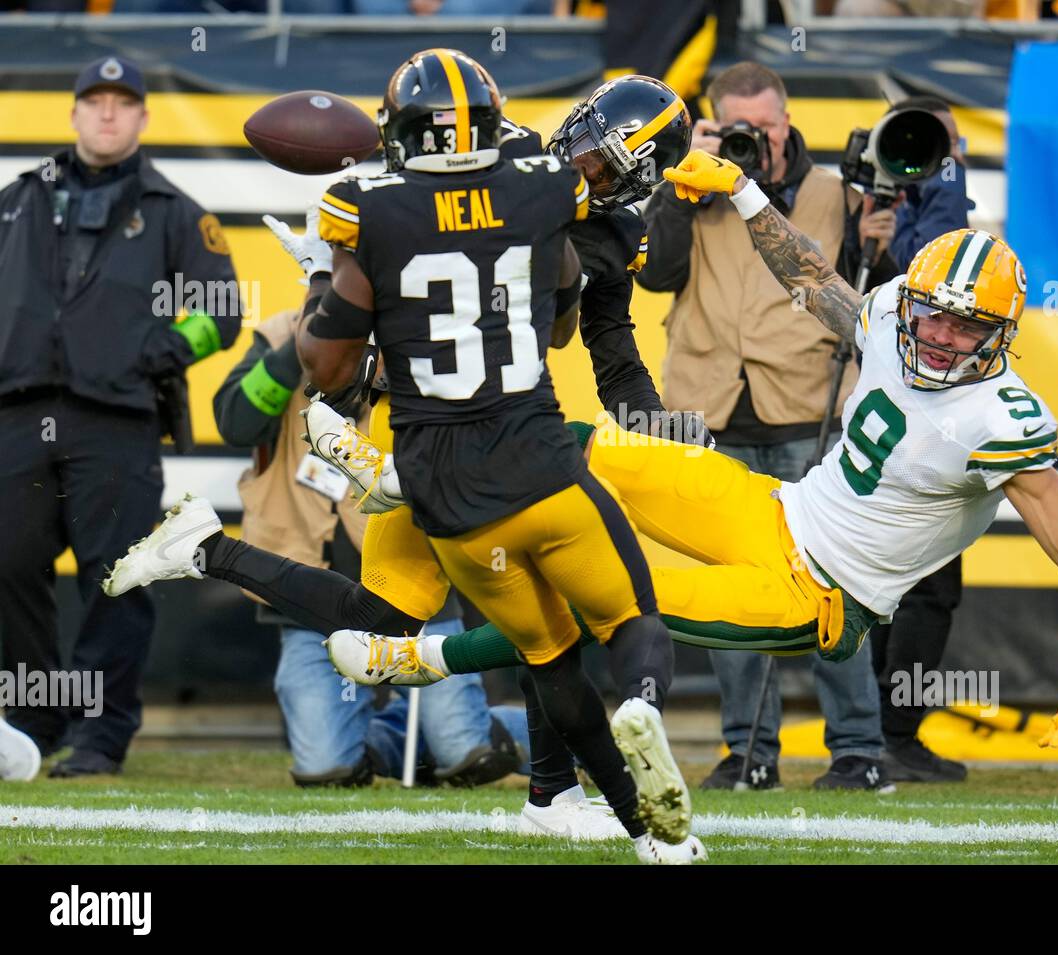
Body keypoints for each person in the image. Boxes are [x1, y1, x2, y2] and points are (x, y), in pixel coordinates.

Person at [112, 51, 703, 864]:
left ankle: (209, 547)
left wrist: (663, 430)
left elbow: (602, 342)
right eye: (591, 150)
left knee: (392, 616)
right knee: (556, 609)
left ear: (632, 186)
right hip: (421, 410)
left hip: (482, 423)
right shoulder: (505, 155)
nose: (589, 170)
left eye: (608, 170)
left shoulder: (575, 202)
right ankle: (568, 794)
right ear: (577, 127)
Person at [322, 218, 1058, 764]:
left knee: (614, 595)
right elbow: (811, 276)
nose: (940, 335)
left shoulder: (1001, 418)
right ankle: (408, 476)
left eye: (965, 326)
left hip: (818, 592)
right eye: (931, 314)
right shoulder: (884, 314)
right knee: (602, 448)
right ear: (908, 301)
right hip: (776, 507)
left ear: (1001, 334)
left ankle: (422, 658)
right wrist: (742, 191)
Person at [637, 60, 897, 792]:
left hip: (807, 411)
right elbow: (653, 272)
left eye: (769, 124)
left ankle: (857, 749)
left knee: (828, 584)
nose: (760, 138)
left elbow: (871, 290)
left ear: (788, 119)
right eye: (742, 126)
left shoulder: (834, 189)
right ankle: (748, 753)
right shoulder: (691, 181)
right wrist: (686, 184)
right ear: (715, 122)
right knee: (731, 594)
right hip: (715, 411)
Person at [0, 55, 241, 777]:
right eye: (95, 101)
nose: (108, 113)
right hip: (17, 415)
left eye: (122, 102)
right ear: (72, 113)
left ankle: (101, 736)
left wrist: (155, 351)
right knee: (8, 564)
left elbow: (220, 312)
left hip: (118, 420)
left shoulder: (174, 210)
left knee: (116, 579)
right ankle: (31, 723)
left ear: (142, 116)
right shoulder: (17, 202)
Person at [212, 308, 527, 787]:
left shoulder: (422, 326)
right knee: (327, 769)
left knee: (469, 754)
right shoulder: (279, 333)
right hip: (309, 593)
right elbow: (235, 421)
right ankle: (394, 735)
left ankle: (563, 729)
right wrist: (305, 344)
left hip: (414, 573)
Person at [863, 95, 975, 784]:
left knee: (919, 585)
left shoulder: (938, 199)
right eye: (939, 146)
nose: (946, 160)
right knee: (916, 585)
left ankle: (886, 728)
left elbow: (940, 271)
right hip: (890, 419)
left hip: (911, 416)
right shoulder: (866, 195)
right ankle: (884, 731)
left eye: (952, 148)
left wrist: (900, 223)